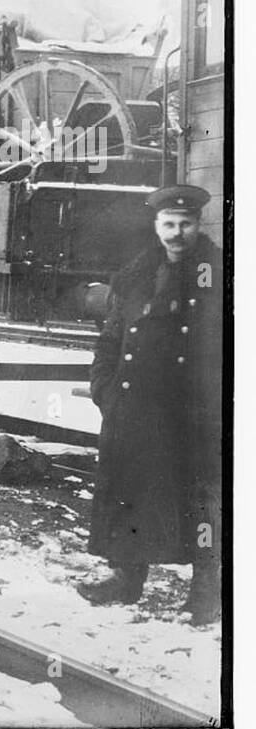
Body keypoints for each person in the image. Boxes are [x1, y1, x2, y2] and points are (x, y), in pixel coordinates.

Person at [79, 184, 222, 626]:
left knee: (202, 500)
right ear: (156, 226)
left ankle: (206, 592)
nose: (177, 233)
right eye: (169, 225)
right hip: (134, 407)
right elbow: (111, 338)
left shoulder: (217, 274)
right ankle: (126, 578)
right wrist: (105, 389)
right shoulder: (137, 275)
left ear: (198, 225)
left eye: (186, 224)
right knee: (128, 491)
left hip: (190, 411)